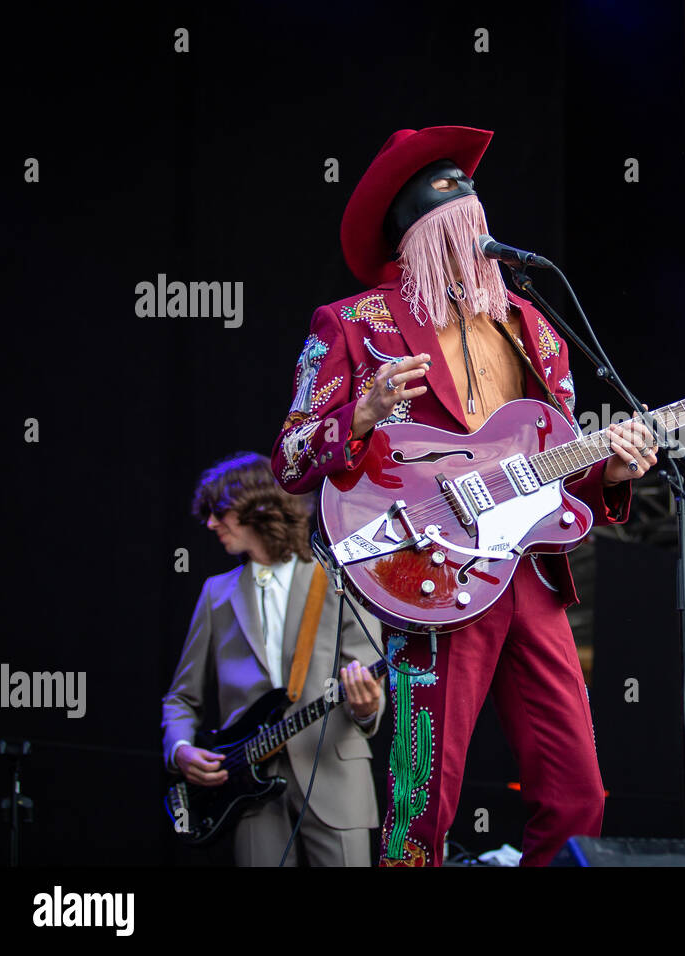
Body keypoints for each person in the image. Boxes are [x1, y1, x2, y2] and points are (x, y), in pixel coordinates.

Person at [270, 126, 659, 866]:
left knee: (579, 793)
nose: (473, 233)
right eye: (453, 224)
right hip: (431, 571)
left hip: (530, 577)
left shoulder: (536, 329)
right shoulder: (355, 323)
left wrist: (608, 474)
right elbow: (289, 457)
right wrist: (359, 415)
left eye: (478, 222)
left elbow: (556, 468)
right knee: (424, 796)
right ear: (413, 237)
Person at [162, 452, 385, 866]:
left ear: (259, 507)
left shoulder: (340, 576)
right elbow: (181, 698)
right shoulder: (216, 594)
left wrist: (368, 707)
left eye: (219, 511)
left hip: (335, 778)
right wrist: (179, 750)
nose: (210, 524)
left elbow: (370, 679)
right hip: (247, 793)